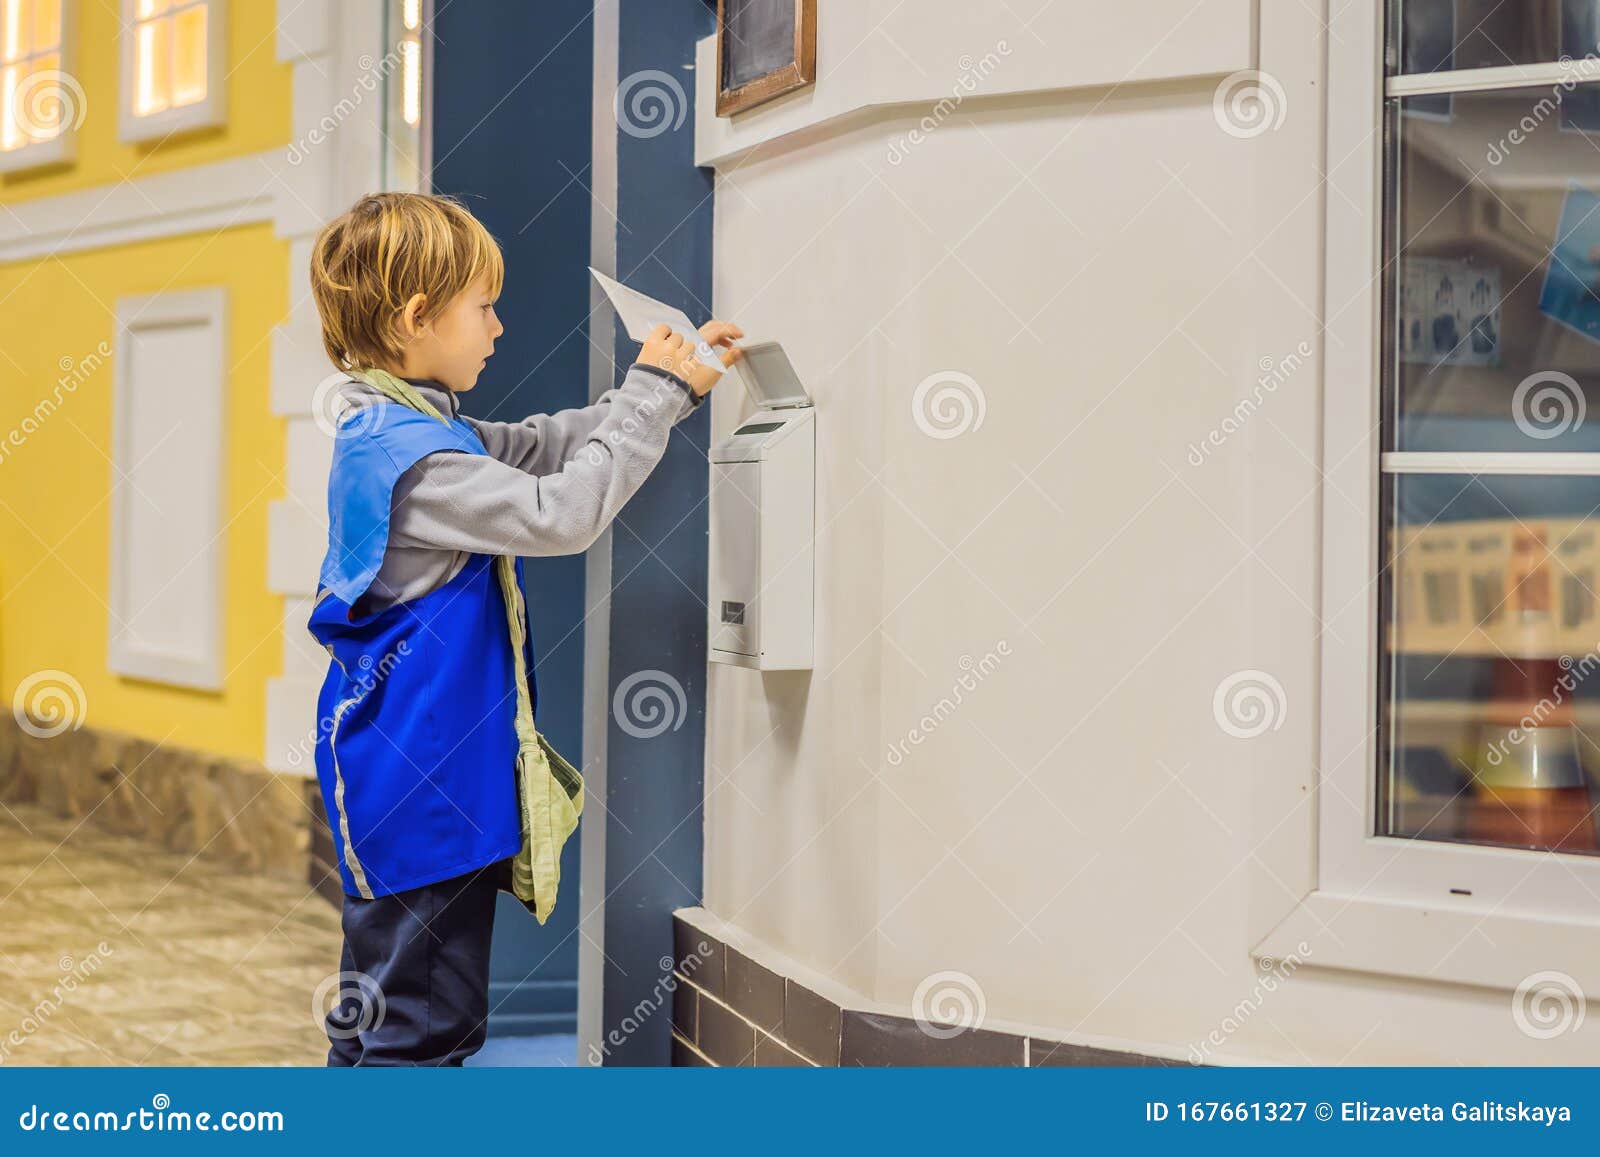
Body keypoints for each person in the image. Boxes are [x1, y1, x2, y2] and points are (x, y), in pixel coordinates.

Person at [304, 191, 741, 1065]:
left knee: (378, 1023)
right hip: (425, 792)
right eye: (483, 306)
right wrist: (650, 395)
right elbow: (560, 511)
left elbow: (541, 446)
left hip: (406, 779)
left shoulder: (406, 425)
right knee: (423, 1033)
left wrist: (667, 392)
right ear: (416, 317)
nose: (499, 326)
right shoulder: (419, 461)